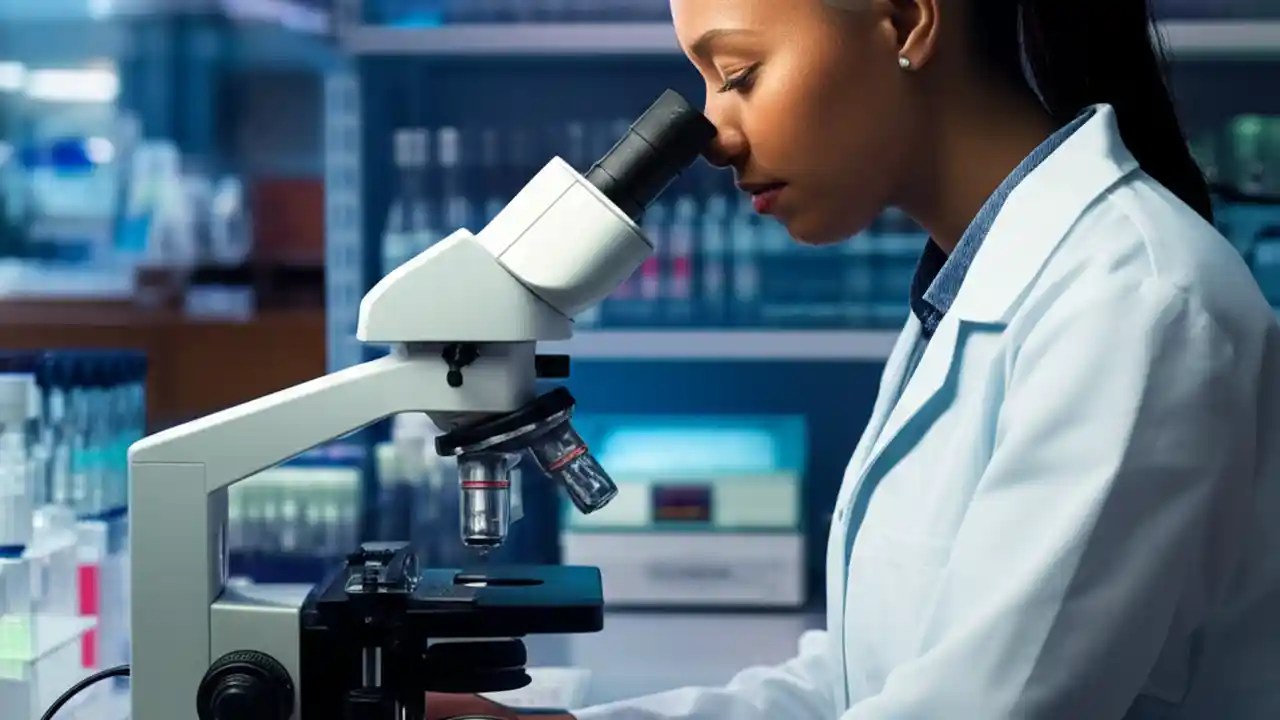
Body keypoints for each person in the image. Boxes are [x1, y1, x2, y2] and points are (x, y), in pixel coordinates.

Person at [430, 0, 1280, 717]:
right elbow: (851, 684)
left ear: (907, 21)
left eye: (738, 76)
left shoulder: (1131, 305)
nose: (714, 133)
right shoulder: (972, 291)